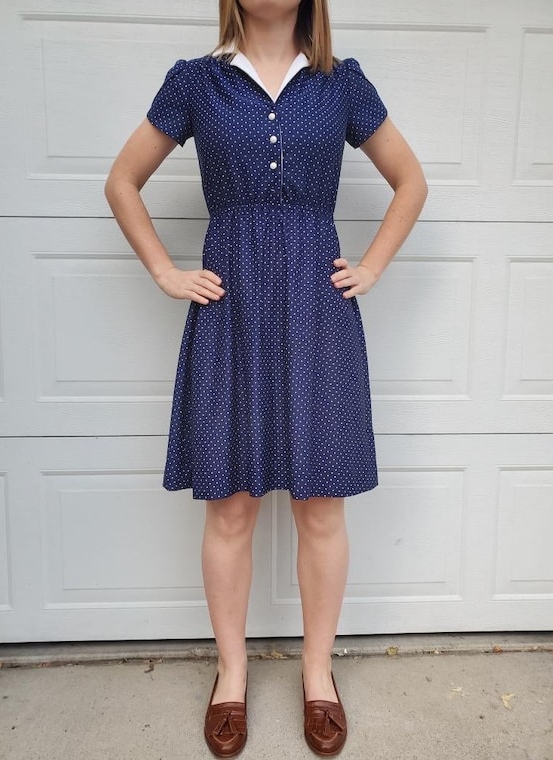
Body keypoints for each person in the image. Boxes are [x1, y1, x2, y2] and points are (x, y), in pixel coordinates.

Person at [105, 0, 427, 755]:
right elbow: (123, 181)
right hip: (233, 309)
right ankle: (231, 675)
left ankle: (318, 674)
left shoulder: (342, 85)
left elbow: (410, 181)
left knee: (321, 503)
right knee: (232, 503)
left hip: (318, 311)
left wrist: (371, 266)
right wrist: (166, 272)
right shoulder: (196, 82)